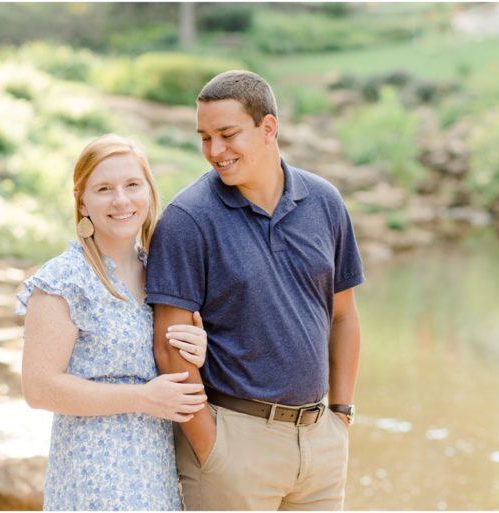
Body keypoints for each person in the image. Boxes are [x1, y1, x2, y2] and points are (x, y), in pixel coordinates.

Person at [147, 70, 365, 510]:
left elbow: (343, 315)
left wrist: (341, 415)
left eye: (227, 135)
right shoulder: (188, 220)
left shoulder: (324, 202)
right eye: (205, 138)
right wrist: (212, 448)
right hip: (232, 443)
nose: (215, 152)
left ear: (268, 128)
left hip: (319, 443)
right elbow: (169, 347)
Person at [16, 134, 210, 511]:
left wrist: (198, 350)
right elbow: (38, 388)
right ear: (82, 200)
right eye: (105, 188)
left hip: (156, 467)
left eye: (132, 185)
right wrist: (141, 398)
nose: (121, 200)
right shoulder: (64, 280)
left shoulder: (164, 274)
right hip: (94, 472)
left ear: (149, 191)